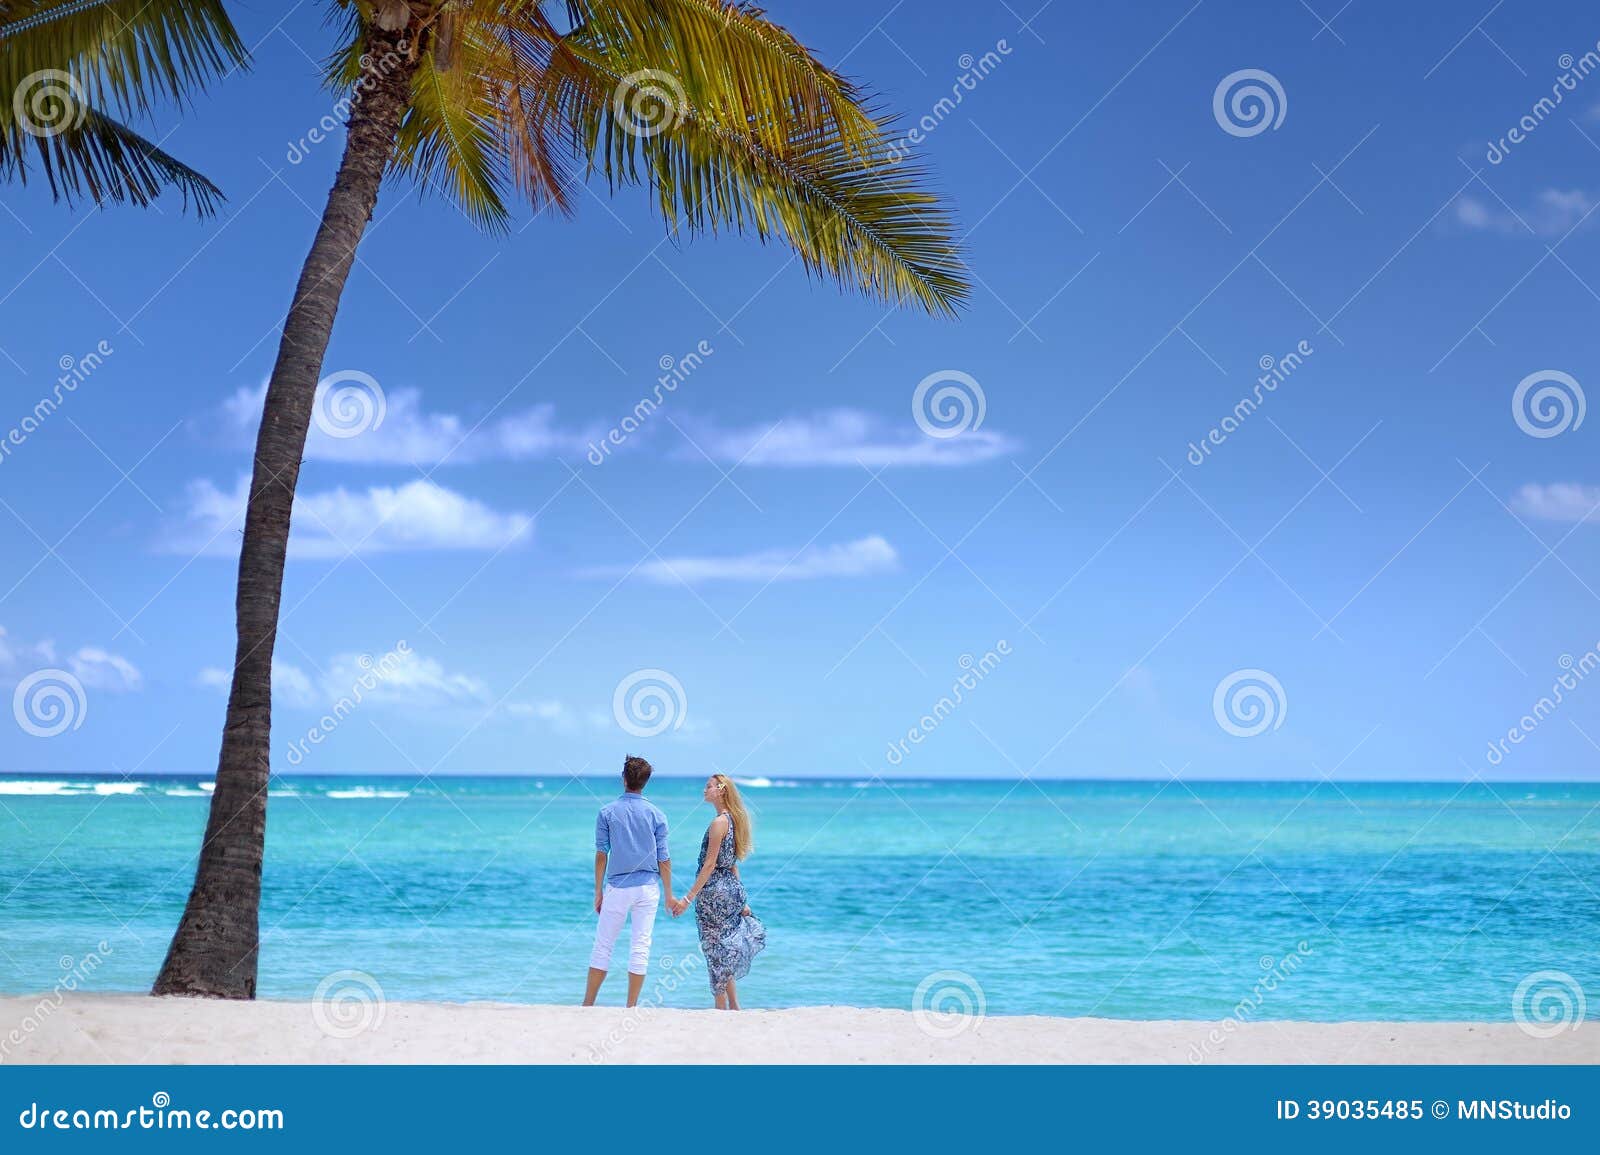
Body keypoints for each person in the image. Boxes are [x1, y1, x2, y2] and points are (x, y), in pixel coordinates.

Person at [583, 755, 677, 1008]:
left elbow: (601, 854)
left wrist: (598, 891)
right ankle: (631, 1006)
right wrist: (669, 894)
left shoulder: (606, 812)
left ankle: (588, 1005)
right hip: (648, 888)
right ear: (645, 782)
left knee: (603, 945)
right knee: (640, 946)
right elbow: (664, 859)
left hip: (617, 887)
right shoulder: (657, 815)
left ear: (623, 779)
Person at [669, 774, 765, 1009]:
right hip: (731, 890)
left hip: (714, 894)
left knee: (714, 952)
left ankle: (721, 1007)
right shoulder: (733, 820)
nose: (704, 790)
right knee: (723, 950)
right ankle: (734, 1006)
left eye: (708, 786)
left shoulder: (719, 823)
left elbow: (709, 865)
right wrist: (742, 901)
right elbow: (732, 864)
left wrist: (687, 899)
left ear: (721, 791)